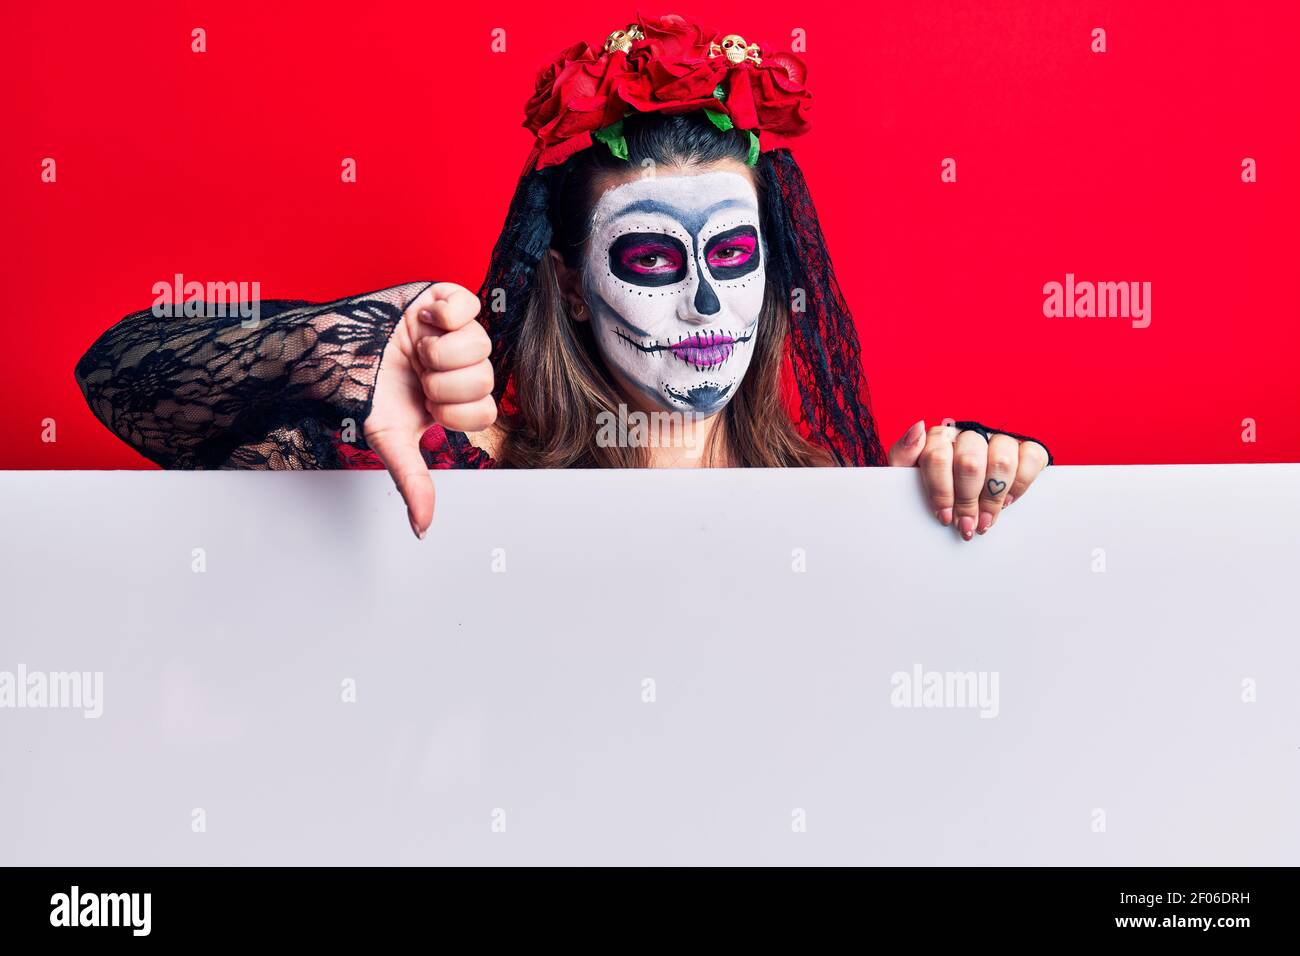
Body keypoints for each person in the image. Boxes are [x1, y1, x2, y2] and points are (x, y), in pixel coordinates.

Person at [74, 14, 1052, 541]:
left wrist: (950, 512)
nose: (706, 302)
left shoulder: (845, 507)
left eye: (735, 254)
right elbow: (115, 378)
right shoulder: (458, 475)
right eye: (654, 257)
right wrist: (346, 350)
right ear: (574, 284)